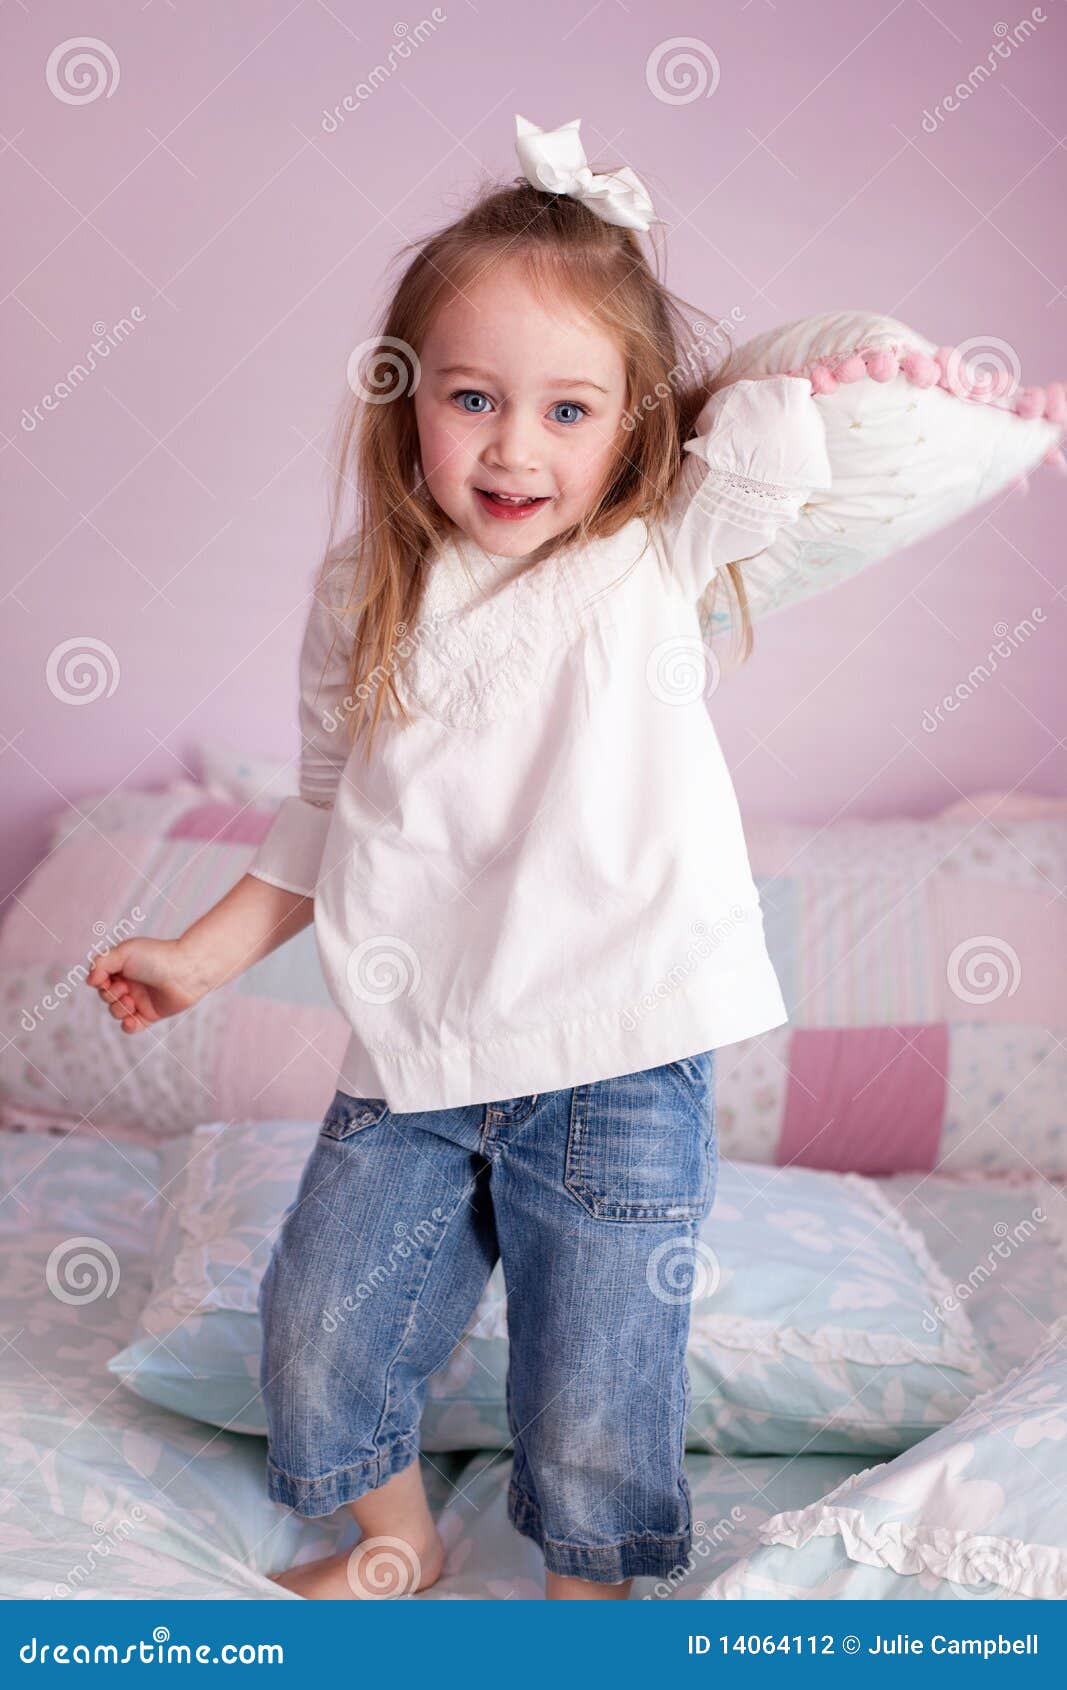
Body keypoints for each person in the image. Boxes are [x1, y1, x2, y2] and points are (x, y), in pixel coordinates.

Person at [84, 114, 832, 1600]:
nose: (513, 446)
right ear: (404, 398)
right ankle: (392, 1537)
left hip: (620, 1046)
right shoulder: (365, 583)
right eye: (475, 397)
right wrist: (197, 952)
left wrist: (843, 379)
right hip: (417, 1049)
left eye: (570, 410)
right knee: (320, 1315)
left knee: (598, 1357)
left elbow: (778, 448)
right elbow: (319, 818)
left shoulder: (649, 556)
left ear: (636, 425)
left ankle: (588, 1588)